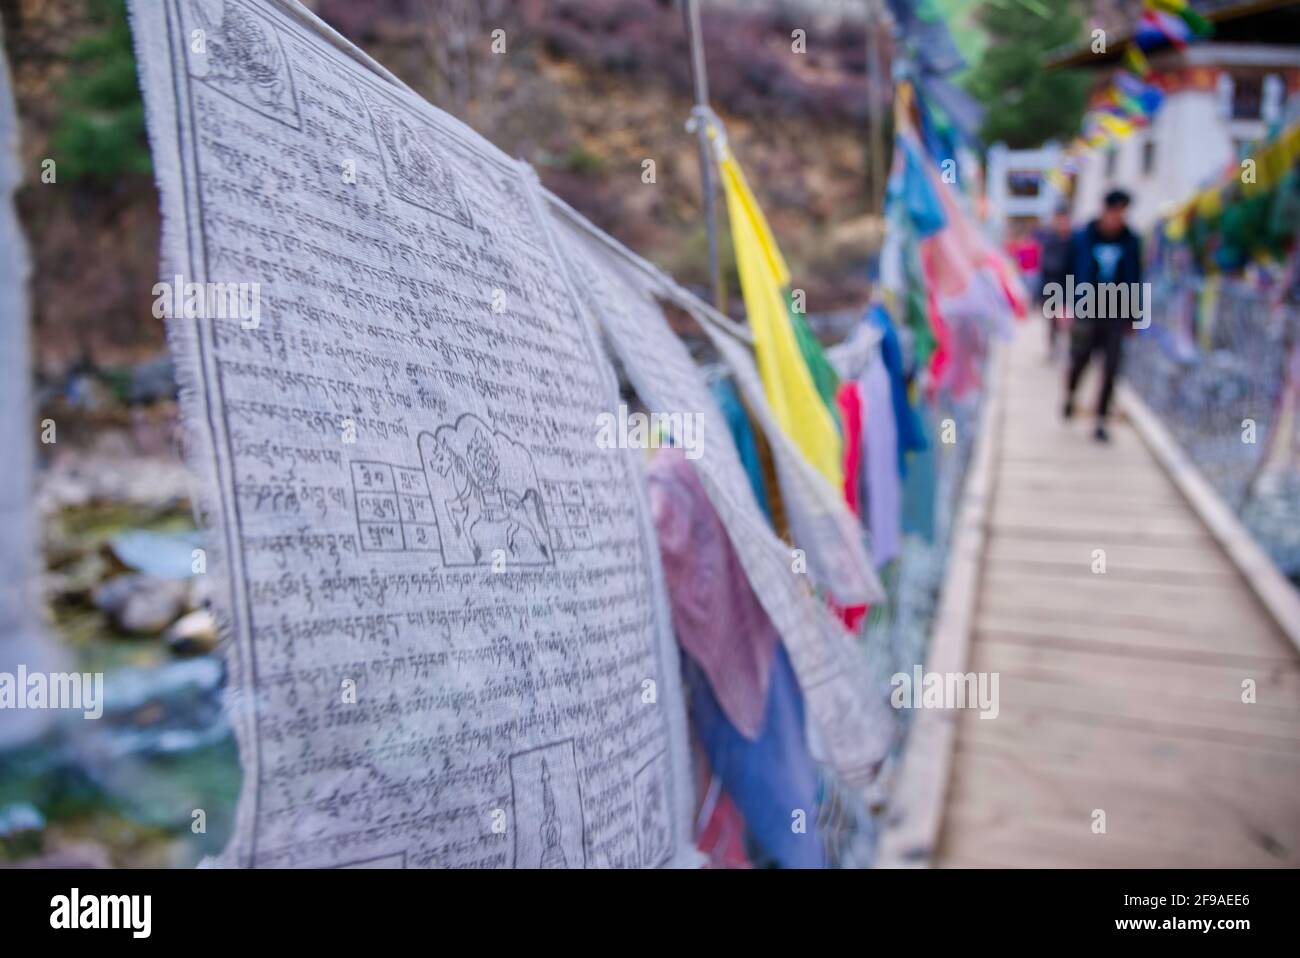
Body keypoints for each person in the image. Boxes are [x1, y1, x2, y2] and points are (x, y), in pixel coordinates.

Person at [1062, 188, 1143, 443]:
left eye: (1122, 212)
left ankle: (1100, 420)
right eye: (1114, 211)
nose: (1117, 217)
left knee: (1111, 367)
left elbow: (1136, 279)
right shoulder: (1083, 237)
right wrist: (1063, 305)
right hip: (1086, 309)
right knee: (1080, 360)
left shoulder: (1131, 241)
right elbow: (1068, 271)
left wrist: (1135, 315)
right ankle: (1071, 394)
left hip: (1116, 312)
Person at [1037, 205, 1073, 357]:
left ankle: (1065, 349)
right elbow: (1046, 264)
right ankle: (1054, 348)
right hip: (1052, 289)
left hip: (1070, 288)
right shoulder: (1050, 239)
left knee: (1069, 322)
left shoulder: (1074, 239)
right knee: (1053, 322)